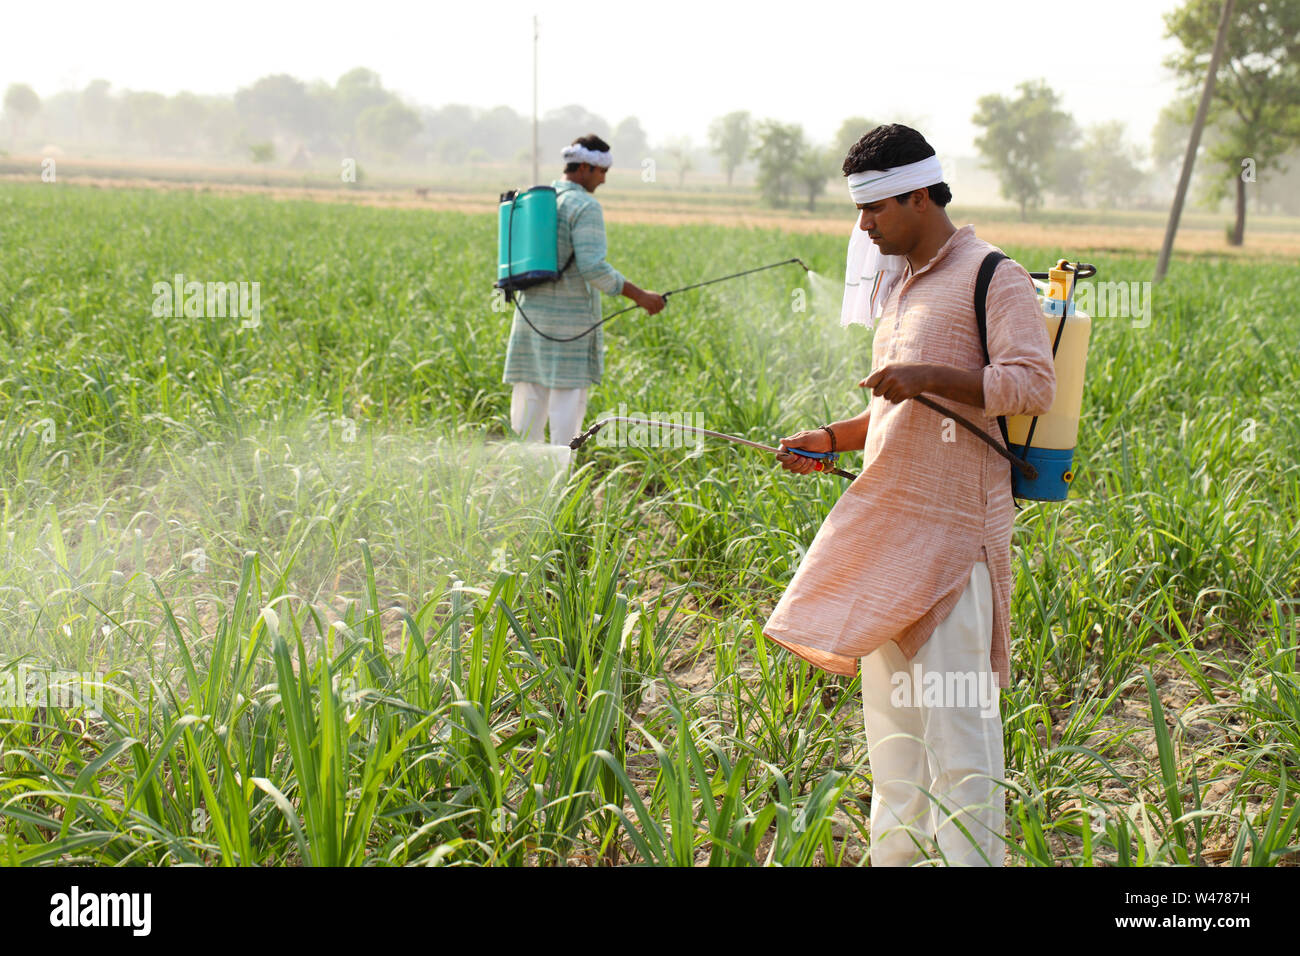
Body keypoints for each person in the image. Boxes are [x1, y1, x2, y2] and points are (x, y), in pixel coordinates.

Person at [764, 124, 1057, 867]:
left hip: (958, 545)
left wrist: (928, 375)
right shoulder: (896, 285)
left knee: (962, 745)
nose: (863, 226)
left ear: (920, 197)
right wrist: (830, 439)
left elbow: (1031, 383)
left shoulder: (997, 275)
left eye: (876, 210)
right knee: (894, 747)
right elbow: (897, 407)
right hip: (891, 538)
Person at [502, 134, 665, 460]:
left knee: (529, 406)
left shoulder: (538, 201)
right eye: (602, 171)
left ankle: (525, 483)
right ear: (587, 167)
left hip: (531, 318)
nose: (604, 179)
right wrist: (640, 296)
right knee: (566, 411)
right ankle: (560, 489)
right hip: (570, 327)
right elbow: (593, 268)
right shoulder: (584, 206)